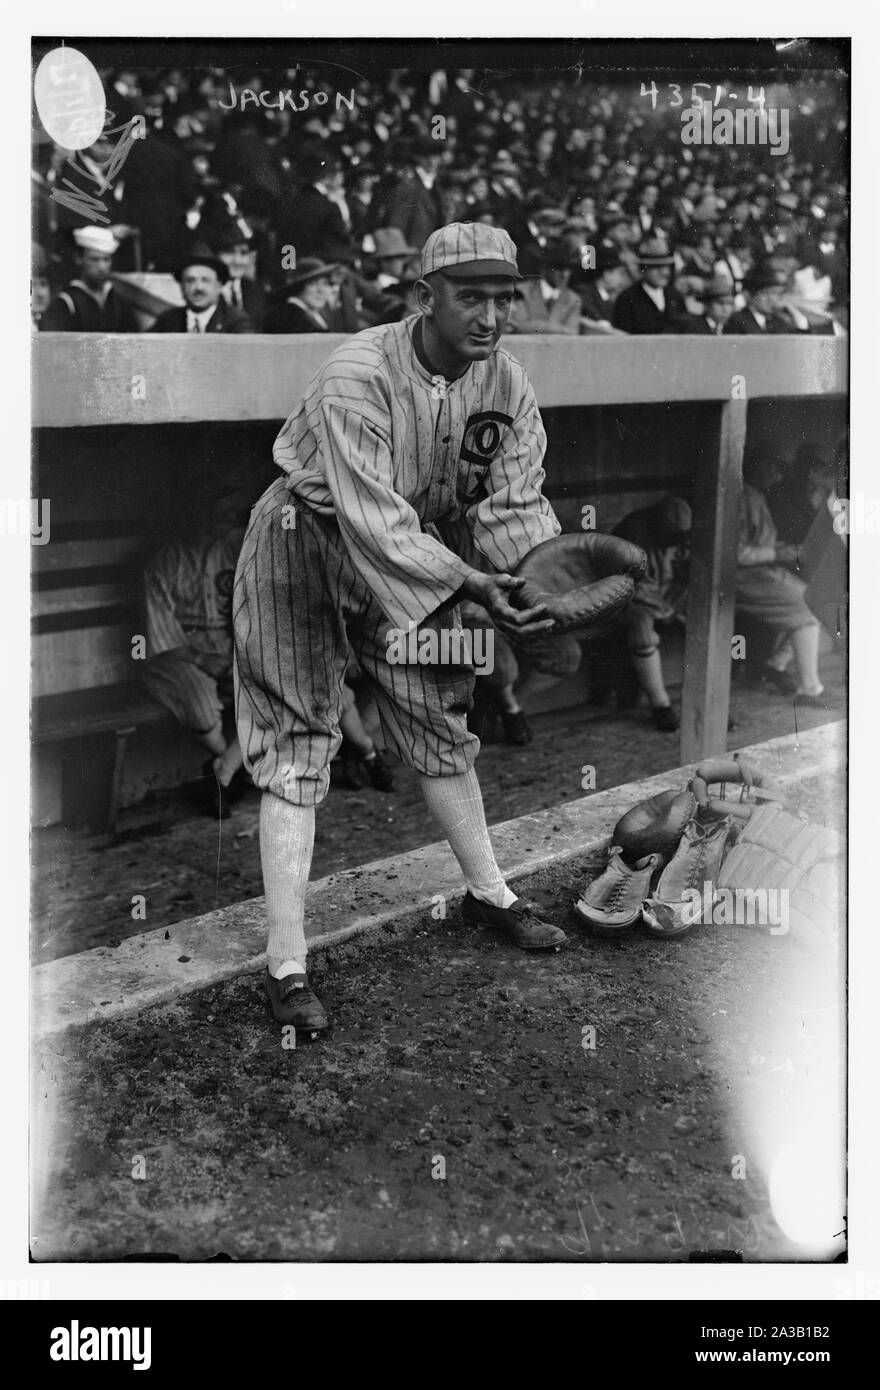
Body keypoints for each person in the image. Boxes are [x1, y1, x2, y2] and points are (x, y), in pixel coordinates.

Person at [233, 222, 568, 1033]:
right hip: (304, 543)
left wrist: (540, 581)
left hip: (421, 551)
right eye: (471, 297)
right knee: (296, 743)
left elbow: (513, 502)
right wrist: (474, 584)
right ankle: (287, 964)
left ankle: (490, 892)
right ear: (426, 297)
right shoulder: (357, 370)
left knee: (438, 719)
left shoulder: (507, 381)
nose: (491, 316)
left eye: (504, 297)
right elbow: (372, 521)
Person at [141, 483, 250, 816]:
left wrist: (239, 656)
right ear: (200, 517)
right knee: (202, 709)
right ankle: (232, 767)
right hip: (176, 656)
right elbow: (158, 638)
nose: (233, 517)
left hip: (227, 650)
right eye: (223, 512)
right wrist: (203, 659)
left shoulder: (234, 552)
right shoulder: (164, 562)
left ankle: (224, 770)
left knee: (274, 692)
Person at [735, 454, 827, 704]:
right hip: (738, 577)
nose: (778, 476)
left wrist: (783, 549)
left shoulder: (756, 495)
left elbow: (759, 542)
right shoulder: (741, 496)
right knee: (807, 607)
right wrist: (777, 552)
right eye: (774, 468)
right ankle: (810, 689)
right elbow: (734, 553)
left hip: (760, 571)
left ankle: (775, 665)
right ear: (759, 468)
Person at [609, 498, 692, 731]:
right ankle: (661, 705)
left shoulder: (681, 528)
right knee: (642, 624)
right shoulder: (633, 533)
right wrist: (666, 609)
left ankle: (712, 704)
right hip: (625, 599)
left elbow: (685, 567)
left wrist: (679, 600)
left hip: (664, 594)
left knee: (701, 614)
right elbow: (631, 587)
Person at [40, 227, 139, 332]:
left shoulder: (118, 299)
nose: (102, 267)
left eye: (106, 259)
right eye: (94, 259)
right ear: (79, 258)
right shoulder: (67, 302)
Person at [151, 245, 254, 333]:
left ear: (219, 285)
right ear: (181, 286)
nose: (198, 288)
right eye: (190, 281)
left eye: (205, 280)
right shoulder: (168, 321)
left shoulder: (237, 323)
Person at [611, 236, 688, 334]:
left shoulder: (675, 296)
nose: (664, 272)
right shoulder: (627, 299)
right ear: (644, 269)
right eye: (657, 268)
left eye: (666, 267)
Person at [508, 247, 582, 334]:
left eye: (568, 269)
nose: (564, 275)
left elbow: (572, 332)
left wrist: (537, 326)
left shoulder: (573, 298)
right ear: (544, 269)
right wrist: (558, 328)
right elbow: (519, 326)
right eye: (559, 269)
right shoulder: (522, 290)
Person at [262, 258, 338, 332]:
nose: (321, 290)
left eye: (326, 284)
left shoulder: (314, 316)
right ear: (298, 287)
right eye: (312, 283)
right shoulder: (288, 319)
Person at [723, 263, 789, 334]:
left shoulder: (779, 322)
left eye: (776, 293)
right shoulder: (737, 320)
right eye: (765, 293)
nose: (772, 299)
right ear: (751, 295)